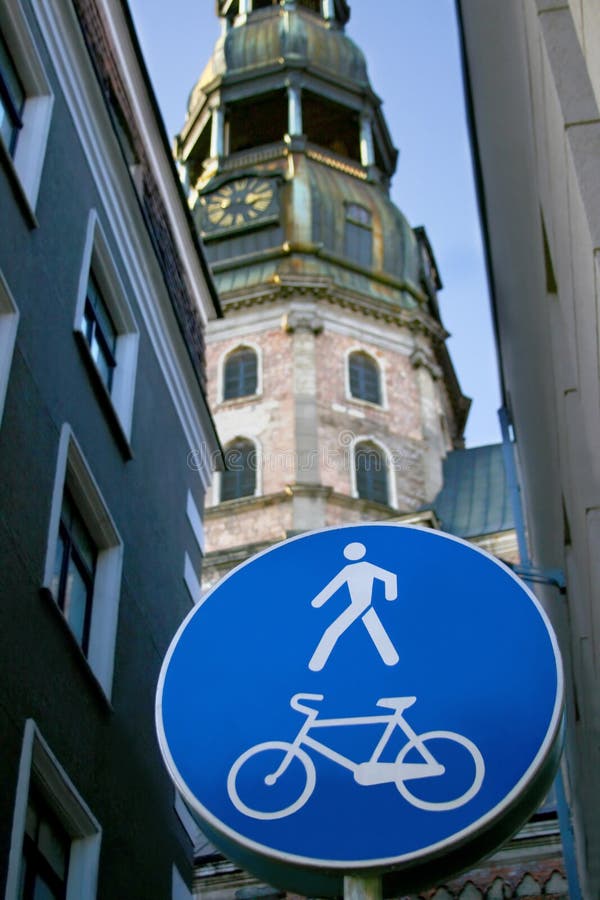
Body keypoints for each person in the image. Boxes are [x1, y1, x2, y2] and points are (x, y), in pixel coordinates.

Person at [308, 541, 399, 671]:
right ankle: (392, 659)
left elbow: (390, 577)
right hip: (362, 605)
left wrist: (391, 595)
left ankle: (316, 665)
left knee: (332, 631)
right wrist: (318, 601)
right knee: (376, 630)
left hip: (361, 604)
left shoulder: (366, 567)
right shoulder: (350, 569)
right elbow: (333, 586)